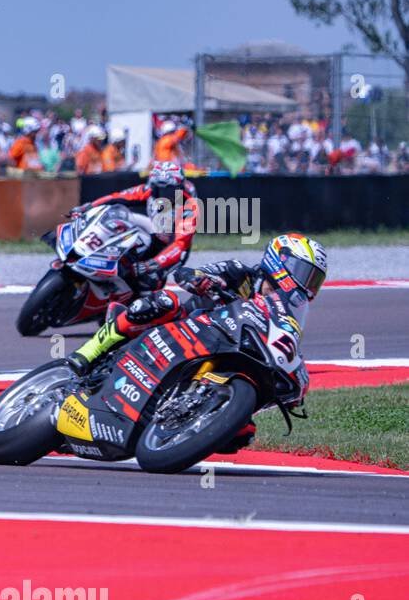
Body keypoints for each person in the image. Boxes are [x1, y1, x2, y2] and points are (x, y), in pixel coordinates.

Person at [64, 233, 328, 444]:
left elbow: (284, 343)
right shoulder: (240, 272)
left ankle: (183, 424)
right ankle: (89, 352)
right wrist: (201, 280)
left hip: (225, 353)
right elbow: (191, 274)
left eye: (315, 280)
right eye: (306, 273)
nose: (308, 284)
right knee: (164, 301)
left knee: (243, 433)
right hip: (184, 326)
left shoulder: (288, 311)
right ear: (280, 261)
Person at [70, 160, 200, 290]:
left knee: (149, 283)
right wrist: (88, 207)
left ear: (179, 189)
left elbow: (179, 244)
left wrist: (153, 264)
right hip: (155, 230)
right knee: (119, 224)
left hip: (173, 248)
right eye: (158, 189)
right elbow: (118, 197)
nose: (162, 194)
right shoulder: (148, 190)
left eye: (168, 191)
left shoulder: (189, 207)